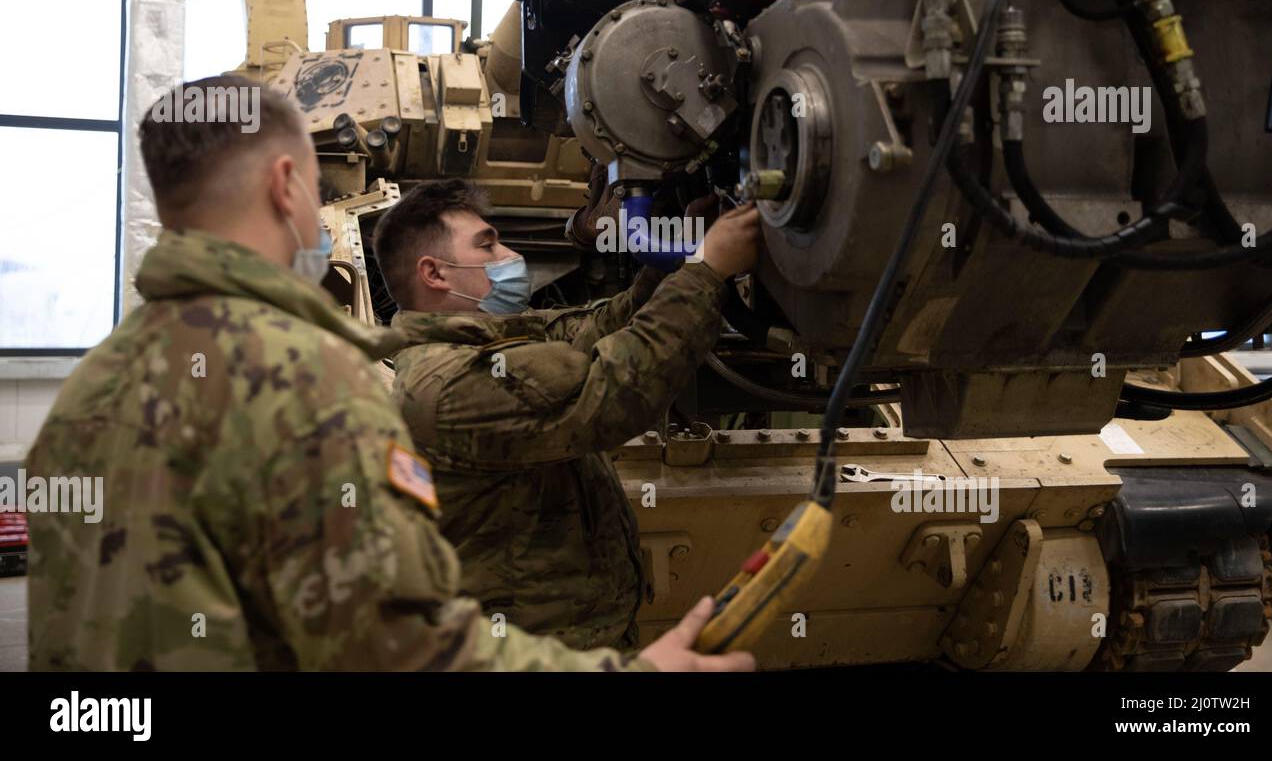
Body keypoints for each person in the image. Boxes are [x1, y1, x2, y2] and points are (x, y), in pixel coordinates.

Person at [25, 75, 753, 672]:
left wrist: (673, 273)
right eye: (314, 186)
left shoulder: (88, 393)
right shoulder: (305, 379)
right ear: (285, 185)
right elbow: (401, 648)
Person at [373, 178, 761, 650]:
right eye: (488, 243)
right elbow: (617, 391)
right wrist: (708, 269)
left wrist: (674, 256)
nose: (509, 254)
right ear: (435, 273)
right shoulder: (446, 384)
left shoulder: (481, 339)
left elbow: (594, 328)